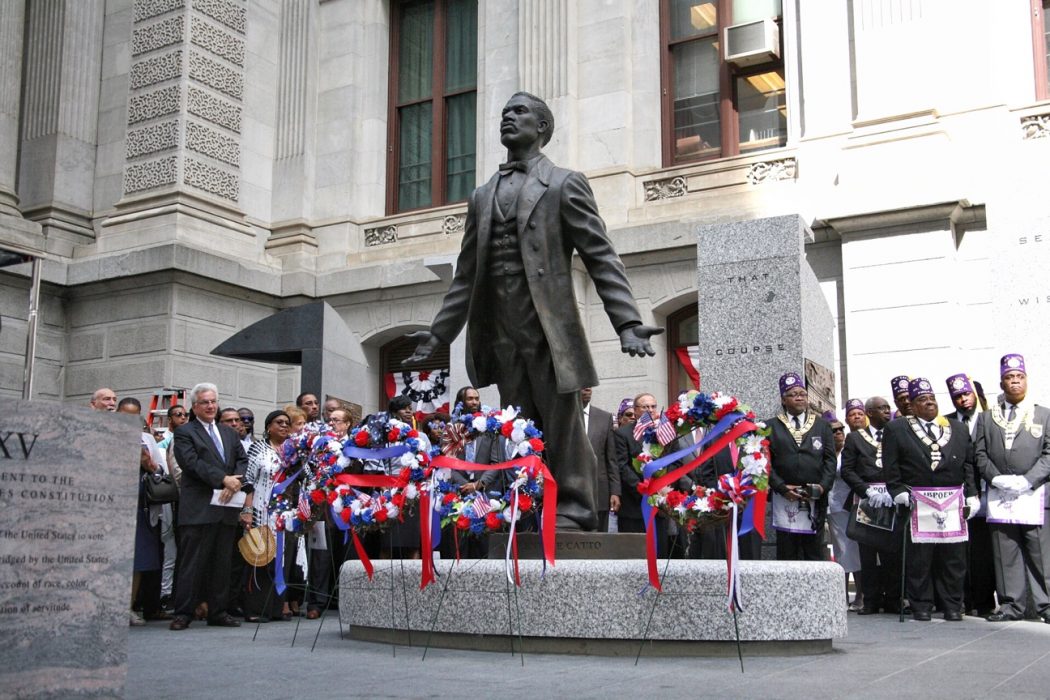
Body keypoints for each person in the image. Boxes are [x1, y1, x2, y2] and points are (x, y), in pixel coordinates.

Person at [403, 92, 662, 531]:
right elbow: (466, 275)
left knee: (561, 420)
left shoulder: (564, 183)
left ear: (543, 127)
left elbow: (600, 254)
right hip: (500, 328)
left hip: (549, 328)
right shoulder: (482, 196)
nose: (509, 117)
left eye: (520, 112)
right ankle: (527, 504)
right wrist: (438, 335)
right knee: (518, 423)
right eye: (505, 112)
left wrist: (629, 323)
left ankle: (575, 508)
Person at [883, 377, 978, 622]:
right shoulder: (897, 429)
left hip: (952, 501)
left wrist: (973, 495)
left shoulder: (957, 428)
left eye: (932, 399)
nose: (929, 403)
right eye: (922, 400)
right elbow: (890, 466)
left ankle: (953, 605)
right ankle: (921, 605)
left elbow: (968, 465)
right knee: (920, 559)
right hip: (917, 501)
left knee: (954, 558)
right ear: (912, 406)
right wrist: (897, 491)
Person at [974, 354, 1050, 623]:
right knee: (1004, 552)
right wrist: (996, 478)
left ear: (1026, 381)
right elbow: (979, 453)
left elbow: (1049, 454)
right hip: (1000, 494)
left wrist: (1028, 479)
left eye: (1019, 377)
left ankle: (1046, 606)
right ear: (1002, 382)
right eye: (1009, 378)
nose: (1015, 382)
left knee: (1040, 553)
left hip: (1033, 494)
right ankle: (1011, 606)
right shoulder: (986, 418)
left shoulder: (1044, 414)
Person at [169, 382, 249, 630]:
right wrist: (221, 479)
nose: (211, 406)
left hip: (226, 507)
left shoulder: (229, 432)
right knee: (192, 563)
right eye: (205, 402)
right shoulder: (185, 432)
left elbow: (243, 459)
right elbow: (191, 464)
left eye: (213, 401)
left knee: (221, 563)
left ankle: (218, 611)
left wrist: (234, 481)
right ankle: (183, 612)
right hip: (199, 508)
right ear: (195, 406)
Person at [840, 396, 901, 615]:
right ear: (869, 413)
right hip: (867, 499)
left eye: (888, 408)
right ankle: (871, 599)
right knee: (867, 551)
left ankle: (894, 598)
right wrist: (866, 490)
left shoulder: (897, 434)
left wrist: (896, 489)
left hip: (892, 497)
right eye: (881, 408)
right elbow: (847, 470)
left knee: (892, 551)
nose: (887, 411)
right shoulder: (855, 438)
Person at [766, 373, 836, 561]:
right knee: (787, 552)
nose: (799, 397)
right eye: (793, 394)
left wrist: (822, 486)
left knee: (814, 552)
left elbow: (830, 460)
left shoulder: (822, 426)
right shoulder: (769, 426)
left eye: (802, 394)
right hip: (785, 497)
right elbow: (764, 462)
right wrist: (780, 487)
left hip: (815, 497)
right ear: (783, 399)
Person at [945, 372, 996, 617]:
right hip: (958, 496)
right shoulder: (948, 423)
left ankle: (985, 602)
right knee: (960, 553)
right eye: (957, 396)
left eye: (966, 394)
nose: (963, 400)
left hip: (989, 492)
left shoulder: (991, 419)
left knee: (984, 552)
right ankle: (964, 601)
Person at [241, 410, 291, 623]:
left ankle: (276, 608)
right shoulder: (257, 447)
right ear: (268, 426)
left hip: (283, 510)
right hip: (260, 508)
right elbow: (248, 480)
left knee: (280, 557)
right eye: (279, 422)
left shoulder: (292, 451)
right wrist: (247, 511)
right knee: (259, 555)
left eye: (287, 423)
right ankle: (255, 608)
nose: (284, 426)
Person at [825, 412, 863, 611]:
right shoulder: (826, 453)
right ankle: (841, 595)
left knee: (852, 550)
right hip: (832, 507)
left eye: (841, 429)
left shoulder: (851, 450)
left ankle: (860, 595)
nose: (839, 433)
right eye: (834, 431)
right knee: (840, 551)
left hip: (850, 506)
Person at [582, 387, 620, 532]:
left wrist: (615, 491)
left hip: (600, 491)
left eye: (590, 385)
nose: (587, 389)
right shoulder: (562, 417)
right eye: (583, 384)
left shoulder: (604, 417)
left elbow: (611, 458)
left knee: (599, 540)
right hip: (570, 492)